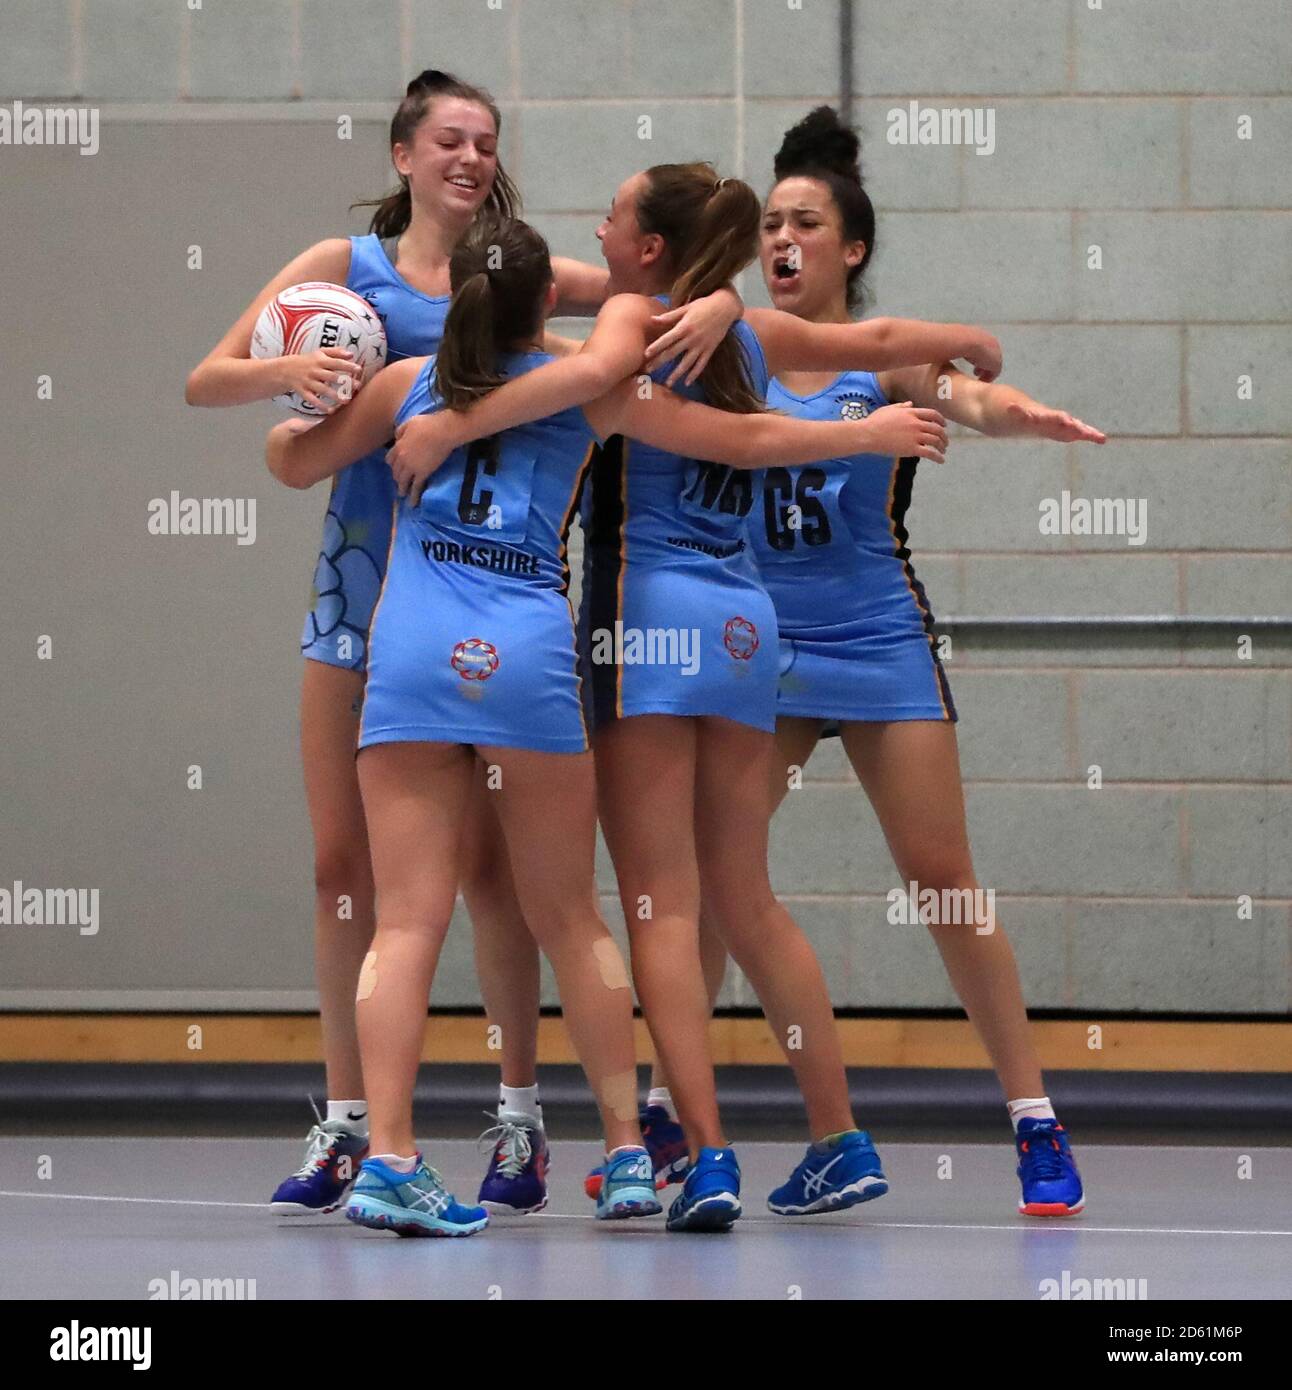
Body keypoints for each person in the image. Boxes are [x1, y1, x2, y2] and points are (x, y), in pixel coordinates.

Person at [265, 214, 950, 1233]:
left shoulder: (401, 384)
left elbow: (290, 463)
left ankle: (392, 1155)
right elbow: (741, 436)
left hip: (409, 653)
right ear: (549, 302)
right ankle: (628, 1150)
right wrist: (860, 431)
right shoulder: (591, 394)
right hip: (527, 663)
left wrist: (293, 392)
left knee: (404, 920)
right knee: (575, 917)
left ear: (453, 297)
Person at [185, 69, 739, 1215]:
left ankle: (511, 1120)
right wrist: (286, 375)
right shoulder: (347, 274)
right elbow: (210, 384)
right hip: (378, 598)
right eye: (449, 138)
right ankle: (359, 1127)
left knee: (479, 889)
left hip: (429, 614)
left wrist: (720, 303)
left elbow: (649, 297)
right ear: (401, 153)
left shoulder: (487, 306)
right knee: (359, 872)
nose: (470, 156)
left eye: (486, 141)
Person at [706, 106, 1104, 1216]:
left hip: (874, 638)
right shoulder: (736, 351)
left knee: (941, 880)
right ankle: (672, 1117)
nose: (780, 240)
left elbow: (966, 394)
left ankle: (1032, 1120)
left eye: (803, 223)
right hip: (758, 648)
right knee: (709, 882)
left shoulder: (878, 364)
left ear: (850, 248)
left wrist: (1022, 416)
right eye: (769, 224)